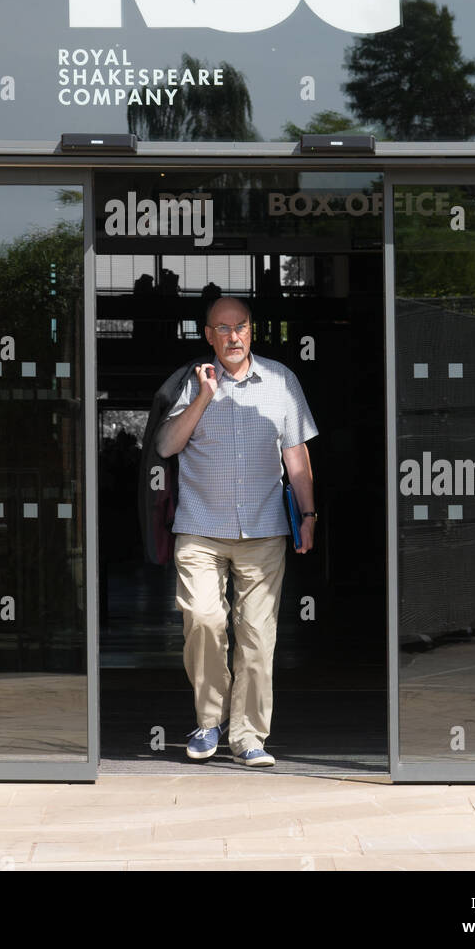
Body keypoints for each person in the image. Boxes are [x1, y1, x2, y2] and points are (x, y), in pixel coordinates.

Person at [155, 295, 318, 767]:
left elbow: (297, 456)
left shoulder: (282, 381)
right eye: (221, 329)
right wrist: (205, 397)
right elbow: (167, 444)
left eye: (239, 327)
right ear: (208, 336)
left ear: (251, 331)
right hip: (201, 528)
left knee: (257, 634)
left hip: (264, 530)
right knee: (204, 620)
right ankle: (209, 721)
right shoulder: (193, 382)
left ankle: (248, 736)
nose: (231, 336)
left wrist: (307, 516)